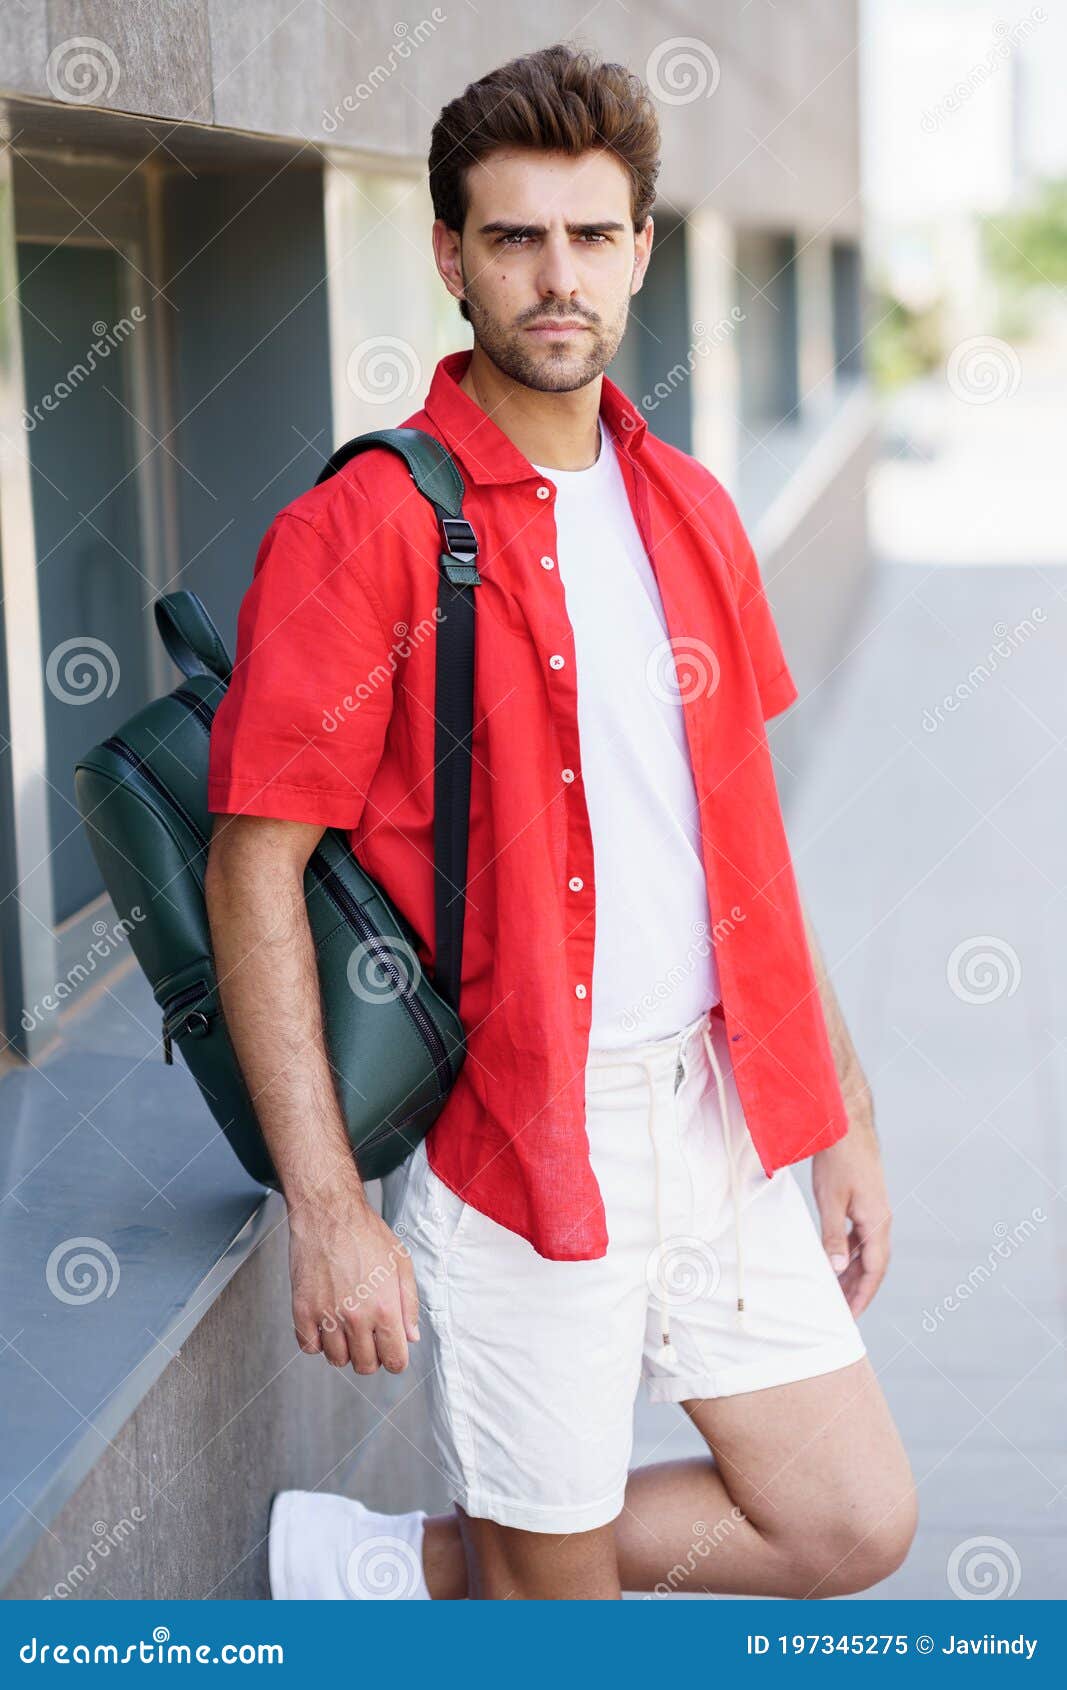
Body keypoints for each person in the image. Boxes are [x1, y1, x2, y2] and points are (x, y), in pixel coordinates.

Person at [204, 42, 917, 1601]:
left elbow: (744, 850)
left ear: (642, 250)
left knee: (851, 1519)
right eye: (515, 237)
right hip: (521, 1137)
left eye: (592, 235)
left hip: (719, 1116)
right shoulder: (363, 528)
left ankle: (399, 1566)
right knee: (564, 1623)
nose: (557, 275)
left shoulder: (691, 510)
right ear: (449, 256)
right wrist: (327, 1208)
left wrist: (841, 1115)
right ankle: (515, 1574)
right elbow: (253, 869)